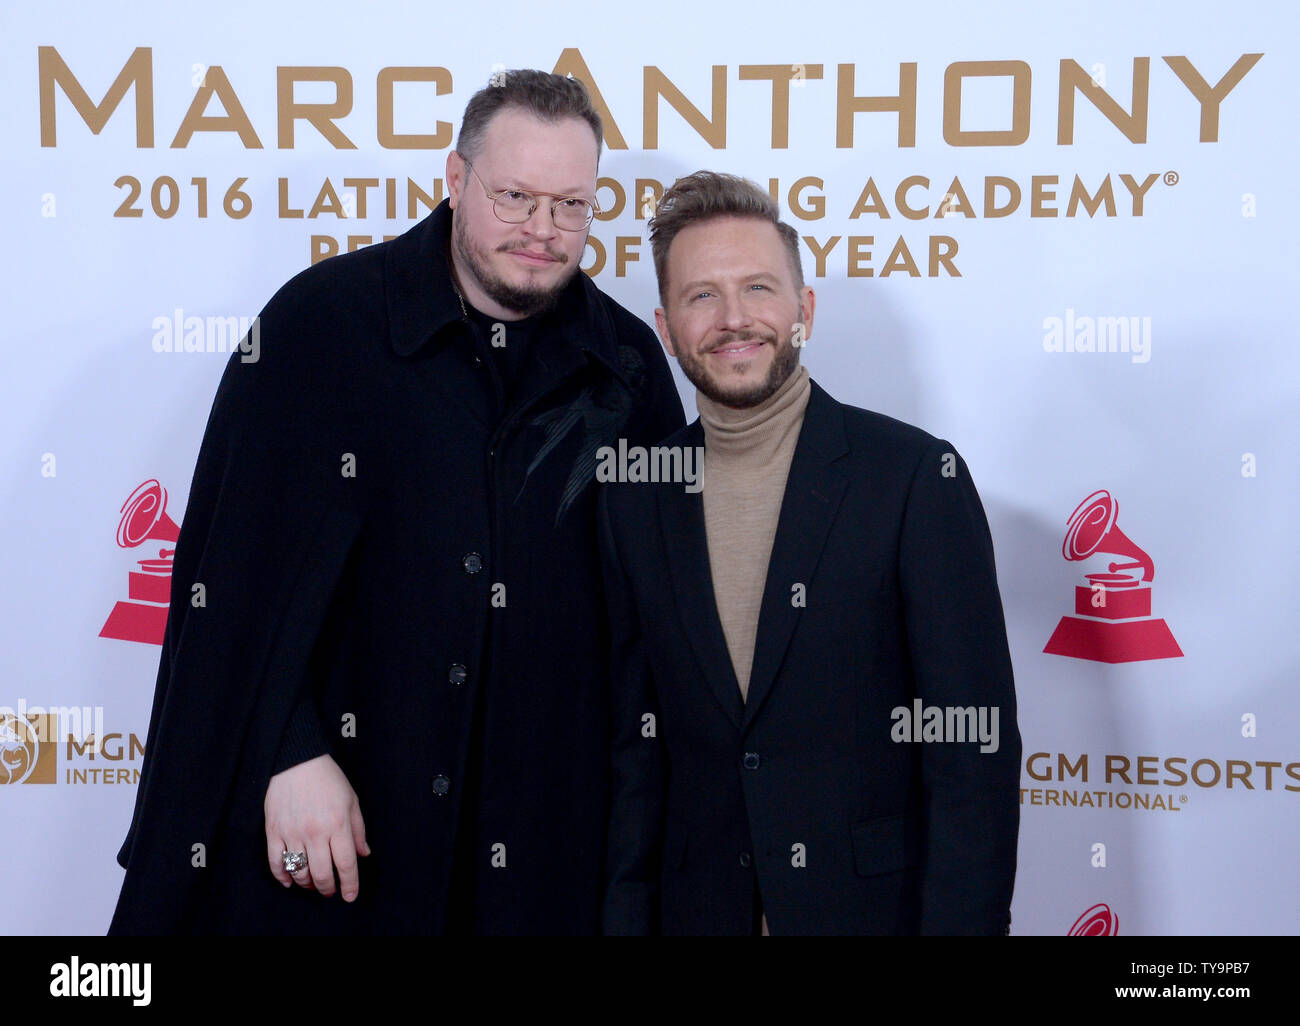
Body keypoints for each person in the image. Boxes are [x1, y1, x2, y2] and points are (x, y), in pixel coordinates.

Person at [108, 70, 684, 935]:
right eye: (516, 196)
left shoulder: (629, 366)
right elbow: (228, 582)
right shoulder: (318, 328)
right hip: (335, 838)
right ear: (454, 181)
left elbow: (651, 622)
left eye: (572, 205)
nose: (543, 230)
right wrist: (287, 749)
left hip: (542, 853)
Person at [598, 171, 1020, 935]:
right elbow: (638, 757)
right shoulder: (635, 497)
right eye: (702, 296)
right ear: (664, 328)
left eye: (759, 288)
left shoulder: (914, 479)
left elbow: (971, 755)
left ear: (805, 309)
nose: (734, 319)